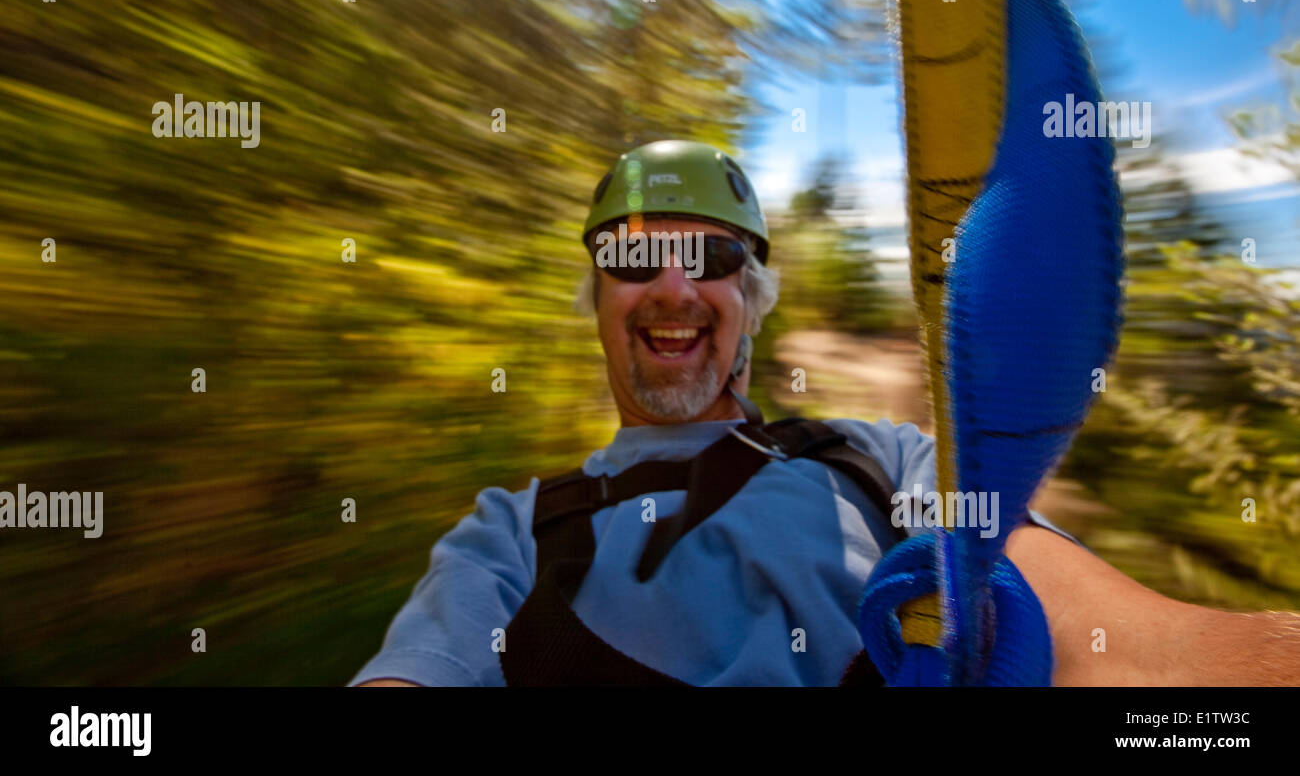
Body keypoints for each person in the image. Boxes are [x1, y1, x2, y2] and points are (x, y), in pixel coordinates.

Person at [352, 140, 1300, 686]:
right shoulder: (510, 534)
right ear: (596, 299)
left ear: (753, 296)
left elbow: (1117, 643)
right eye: (636, 257)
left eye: (715, 257)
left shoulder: (887, 461)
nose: (675, 287)